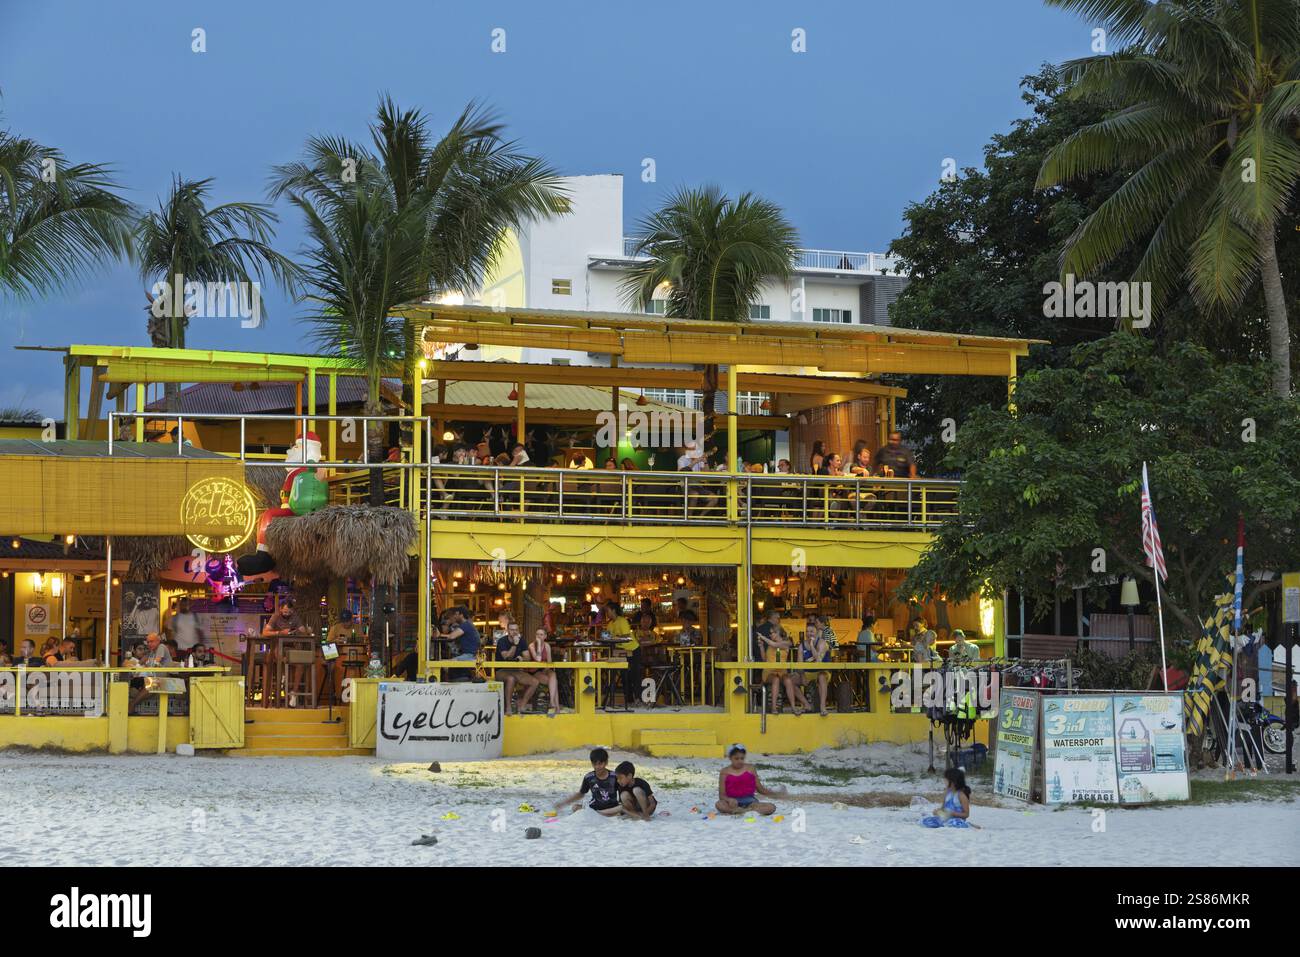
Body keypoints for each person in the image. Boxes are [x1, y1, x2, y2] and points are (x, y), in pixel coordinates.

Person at [753, 609, 806, 714]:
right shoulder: (770, 644)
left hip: (782, 671)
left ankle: (793, 707)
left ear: (778, 633)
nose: (770, 635)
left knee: (788, 680)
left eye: (772, 633)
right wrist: (761, 647)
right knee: (776, 679)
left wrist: (763, 638)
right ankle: (773, 707)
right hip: (769, 671)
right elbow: (764, 659)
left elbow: (775, 645)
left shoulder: (786, 644)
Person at [716, 744, 781, 816]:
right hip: (733, 803)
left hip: (750, 802)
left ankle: (742, 811)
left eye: (742, 758)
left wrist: (775, 795)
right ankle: (742, 811)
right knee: (719, 805)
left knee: (771, 807)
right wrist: (729, 800)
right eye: (736, 758)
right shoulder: (724, 771)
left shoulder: (750, 768)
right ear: (730, 758)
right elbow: (721, 795)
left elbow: (760, 789)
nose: (740, 761)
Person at [556, 748, 623, 817]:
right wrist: (563, 803)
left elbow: (623, 790)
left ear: (606, 762)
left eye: (600, 764)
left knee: (621, 809)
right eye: (595, 764)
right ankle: (601, 813)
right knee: (575, 807)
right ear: (592, 763)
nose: (597, 767)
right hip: (594, 808)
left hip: (612, 807)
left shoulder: (614, 776)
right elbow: (581, 794)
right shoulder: (589, 777)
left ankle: (602, 814)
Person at [496, 621, 538, 714]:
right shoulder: (502, 641)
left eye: (516, 630)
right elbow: (507, 657)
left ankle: (522, 705)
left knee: (535, 682)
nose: (514, 632)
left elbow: (527, 657)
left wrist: (521, 658)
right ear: (507, 630)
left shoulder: (521, 640)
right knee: (511, 679)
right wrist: (515, 644)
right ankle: (508, 708)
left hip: (516, 670)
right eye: (512, 630)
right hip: (501, 670)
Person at [605, 599, 640, 707]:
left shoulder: (623, 621)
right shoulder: (610, 624)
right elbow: (608, 636)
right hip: (621, 651)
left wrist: (615, 637)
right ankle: (629, 700)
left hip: (633, 649)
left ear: (613, 610)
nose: (607, 613)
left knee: (635, 675)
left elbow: (626, 635)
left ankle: (638, 698)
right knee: (625, 676)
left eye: (608, 611)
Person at [128, 632, 174, 715]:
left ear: (158, 641)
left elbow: (156, 663)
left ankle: (132, 705)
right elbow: (142, 663)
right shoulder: (152, 651)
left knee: (151, 683)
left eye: (151, 641)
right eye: (148, 642)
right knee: (137, 681)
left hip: (166, 678)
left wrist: (145, 665)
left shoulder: (161, 647)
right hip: (156, 677)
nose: (149, 644)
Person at [524, 627, 560, 716]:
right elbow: (538, 659)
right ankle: (556, 707)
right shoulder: (531, 646)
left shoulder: (547, 646)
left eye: (541, 634)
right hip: (533, 671)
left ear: (545, 636)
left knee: (553, 675)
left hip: (543, 669)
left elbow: (549, 662)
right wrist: (539, 645)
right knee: (553, 682)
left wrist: (546, 670)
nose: (539, 636)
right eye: (537, 634)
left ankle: (552, 702)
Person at [801, 617, 832, 716]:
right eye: (807, 631)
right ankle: (805, 705)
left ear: (817, 632)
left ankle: (823, 707)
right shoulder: (801, 645)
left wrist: (811, 646)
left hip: (822, 671)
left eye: (811, 631)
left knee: (821, 677)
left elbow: (818, 660)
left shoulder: (822, 643)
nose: (809, 633)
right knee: (790, 679)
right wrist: (802, 676)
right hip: (808, 672)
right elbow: (799, 663)